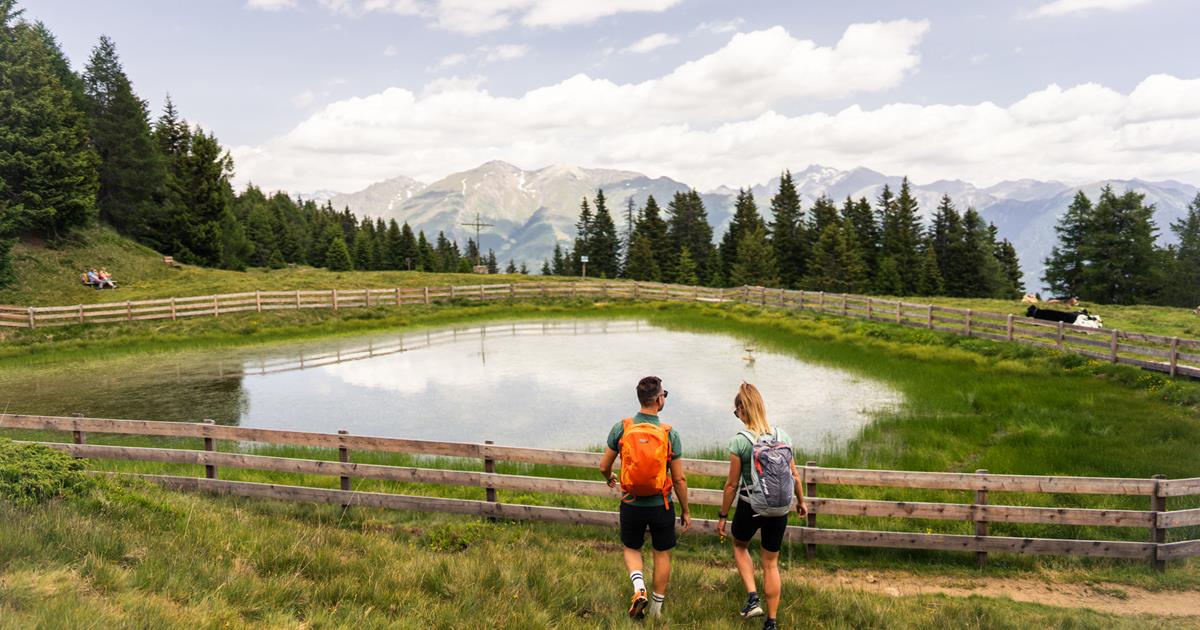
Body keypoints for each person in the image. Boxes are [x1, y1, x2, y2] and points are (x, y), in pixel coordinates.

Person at [598, 376, 691, 620]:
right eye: (664, 395)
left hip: (631, 503)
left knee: (631, 547)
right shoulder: (670, 433)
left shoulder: (623, 427)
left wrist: (610, 478)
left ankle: (639, 588)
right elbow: (679, 479)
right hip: (661, 505)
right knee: (661, 553)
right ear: (659, 399)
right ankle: (657, 611)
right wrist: (686, 510)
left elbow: (603, 466)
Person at [716, 382, 807, 630]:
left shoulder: (741, 441)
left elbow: (731, 485)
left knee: (739, 544)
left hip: (750, 506)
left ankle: (753, 597)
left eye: (737, 413)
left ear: (742, 410)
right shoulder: (783, 436)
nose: (737, 417)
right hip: (779, 508)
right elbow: (795, 475)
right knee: (771, 563)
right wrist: (800, 502)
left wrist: (723, 516)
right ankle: (772, 621)